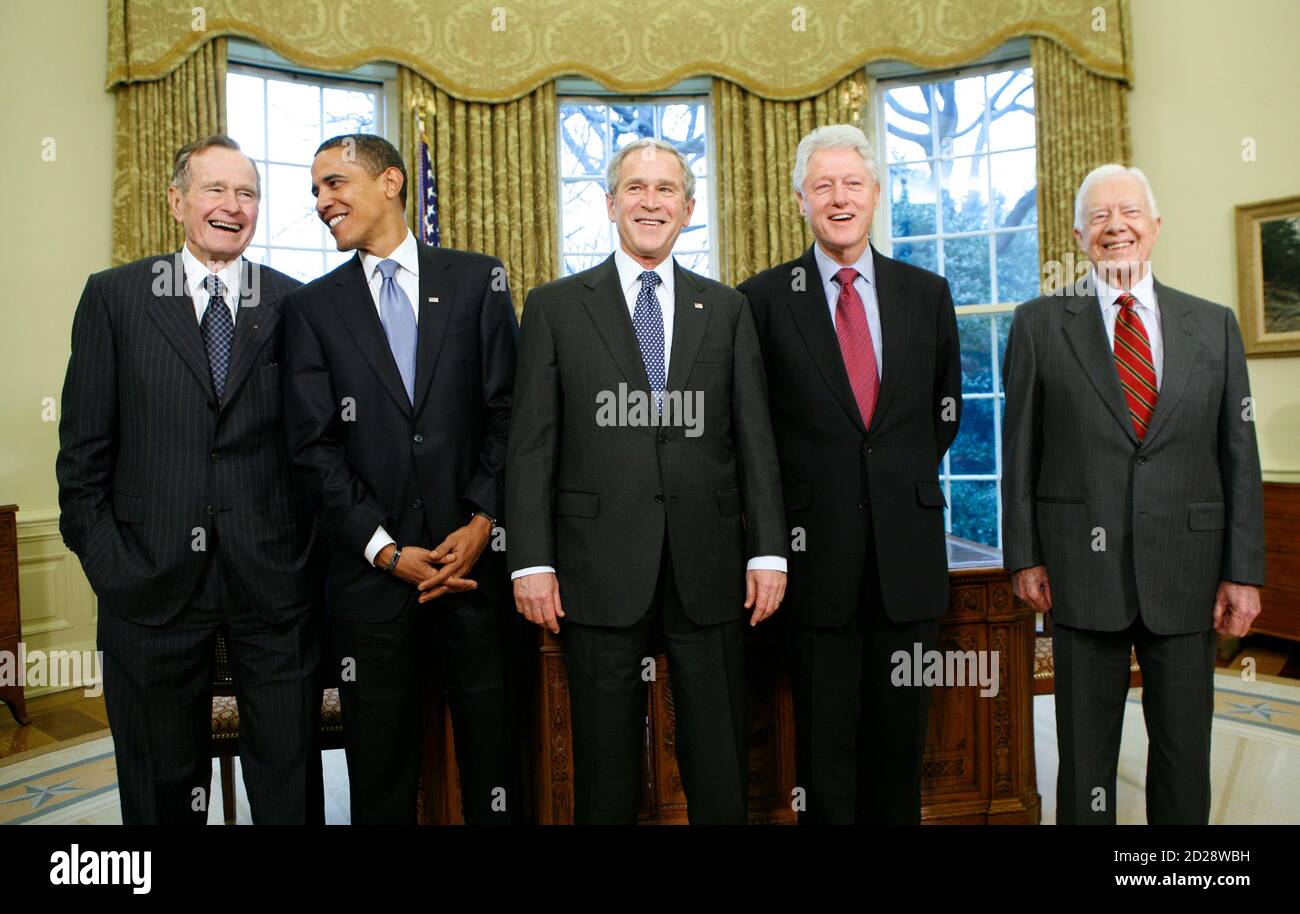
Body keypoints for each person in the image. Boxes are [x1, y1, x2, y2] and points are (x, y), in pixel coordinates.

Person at [507, 137, 787, 824]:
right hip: (594, 565)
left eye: (666, 190)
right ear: (609, 203)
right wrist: (530, 562)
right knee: (603, 760)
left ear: (688, 209)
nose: (650, 201)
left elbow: (754, 438)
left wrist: (769, 551)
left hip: (711, 562)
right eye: (636, 187)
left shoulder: (725, 309)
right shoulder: (555, 307)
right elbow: (531, 445)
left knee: (718, 751)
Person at [56, 135, 320, 824]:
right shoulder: (114, 299)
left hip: (274, 584)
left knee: (289, 786)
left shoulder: (296, 305)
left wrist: (305, 559)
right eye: (215, 190)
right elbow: (82, 461)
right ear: (177, 202)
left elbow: (319, 451)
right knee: (160, 789)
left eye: (247, 194)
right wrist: (117, 572)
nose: (232, 207)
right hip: (148, 588)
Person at [1001, 164, 1265, 824]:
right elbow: (1020, 450)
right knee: (1085, 758)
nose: (1115, 226)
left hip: (1188, 571)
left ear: (1154, 226)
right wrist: (1024, 555)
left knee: (1183, 754)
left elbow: (1240, 457)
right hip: (1079, 574)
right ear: (1078, 233)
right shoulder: (1039, 324)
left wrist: (1243, 571)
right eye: (1098, 216)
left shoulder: (1213, 325)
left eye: (1129, 213)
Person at [282, 134, 519, 824]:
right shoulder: (312, 309)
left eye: (334, 183)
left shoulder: (478, 281)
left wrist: (482, 522)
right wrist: (385, 550)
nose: (322, 202)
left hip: (476, 573)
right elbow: (312, 450)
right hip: (371, 589)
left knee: (496, 771)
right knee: (381, 784)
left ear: (390, 181)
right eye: (316, 191)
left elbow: (512, 414)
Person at [738, 124, 962, 824]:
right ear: (801, 199)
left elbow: (942, 413)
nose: (840, 198)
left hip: (909, 560)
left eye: (853, 184)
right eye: (823, 186)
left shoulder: (927, 293)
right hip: (814, 564)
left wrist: (892, 480)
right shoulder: (762, 299)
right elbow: (753, 430)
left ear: (876, 194)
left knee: (901, 750)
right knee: (824, 755)